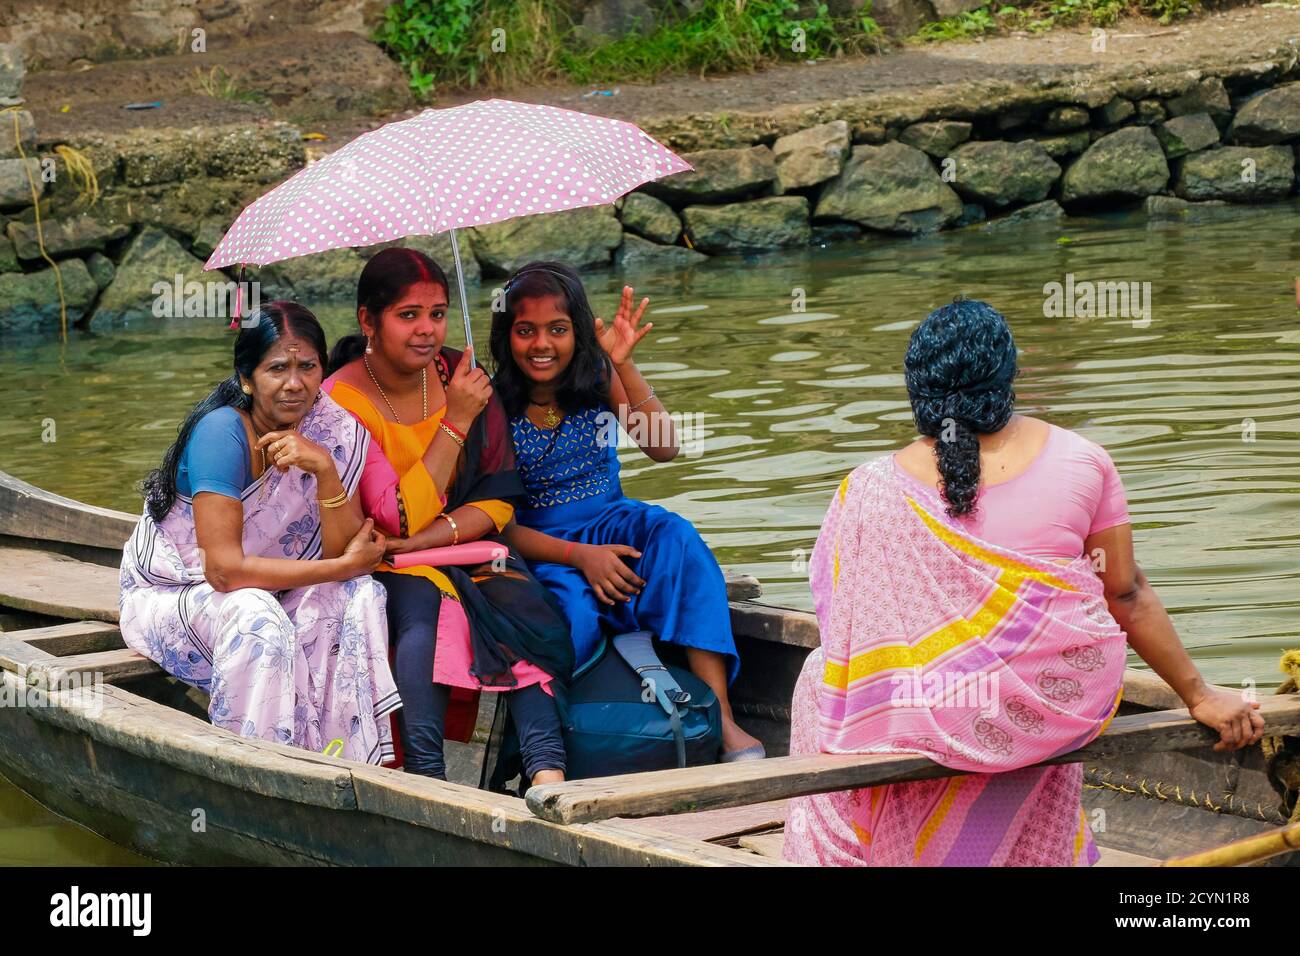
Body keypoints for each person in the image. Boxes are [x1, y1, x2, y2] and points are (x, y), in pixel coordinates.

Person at [783, 297, 1266, 866]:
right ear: (1008, 377)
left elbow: (848, 620)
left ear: (918, 391)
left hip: (923, 706)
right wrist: (1200, 694)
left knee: (821, 676)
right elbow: (1126, 595)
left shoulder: (868, 486)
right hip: (1053, 703)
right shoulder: (1083, 459)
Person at [488, 260, 765, 761]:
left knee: (677, 539)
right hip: (544, 548)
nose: (542, 345)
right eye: (525, 331)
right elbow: (499, 526)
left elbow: (664, 448)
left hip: (613, 521)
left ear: (578, 331)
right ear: (506, 336)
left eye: (558, 329)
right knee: (566, 616)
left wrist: (623, 365)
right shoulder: (489, 405)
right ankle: (576, 742)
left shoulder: (597, 373)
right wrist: (580, 557)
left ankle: (720, 719)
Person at [324, 247, 571, 787]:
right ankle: (427, 777)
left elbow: (500, 493)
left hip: (455, 547)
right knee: (425, 614)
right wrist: (455, 421)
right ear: (369, 320)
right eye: (407, 315)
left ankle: (547, 773)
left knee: (518, 596)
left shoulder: (461, 374)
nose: (427, 330)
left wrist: (431, 540)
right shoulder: (339, 400)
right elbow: (393, 519)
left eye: (437, 314)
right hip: (379, 561)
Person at [119, 302, 399, 764]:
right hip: (177, 592)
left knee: (358, 594)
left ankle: (340, 759)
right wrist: (342, 565)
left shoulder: (328, 429)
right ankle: (257, 764)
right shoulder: (222, 433)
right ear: (247, 379)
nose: (295, 383)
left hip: (272, 584)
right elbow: (225, 574)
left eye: (308, 366)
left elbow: (340, 548)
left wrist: (325, 470)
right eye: (277, 368)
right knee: (258, 614)